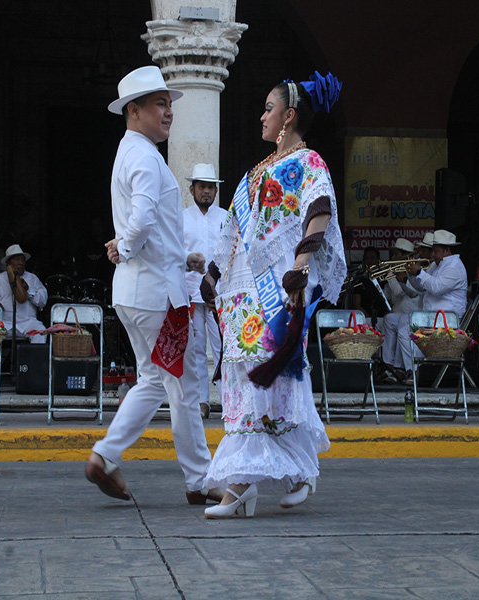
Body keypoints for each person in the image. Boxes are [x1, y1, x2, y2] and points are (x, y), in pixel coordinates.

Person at [199, 72, 346, 518]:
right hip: (242, 295)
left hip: (279, 294)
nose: (262, 116)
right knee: (255, 382)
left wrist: (301, 266)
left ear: (290, 116)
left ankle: (240, 487)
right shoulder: (254, 172)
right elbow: (231, 231)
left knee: (269, 380)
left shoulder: (309, 163)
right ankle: (298, 471)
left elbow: (318, 211)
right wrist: (213, 276)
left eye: (269, 107)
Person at [85, 65, 217, 506]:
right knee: (182, 386)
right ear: (134, 110)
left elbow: (145, 227)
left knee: (155, 380)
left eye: (168, 104)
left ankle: (106, 455)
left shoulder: (131, 151)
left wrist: (180, 256)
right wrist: (125, 245)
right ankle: (199, 479)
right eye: (159, 104)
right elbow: (141, 221)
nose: (168, 112)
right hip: (159, 295)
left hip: (138, 292)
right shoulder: (143, 155)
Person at [182, 163, 228, 420]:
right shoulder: (182, 218)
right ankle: (202, 401)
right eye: (202, 187)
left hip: (218, 294)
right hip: (190, 293)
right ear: (192, 189)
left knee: (222, 346)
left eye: (211, 187)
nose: (207, 191)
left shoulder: (224, 217)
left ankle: (227, 400)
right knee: (197, 349)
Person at [0, 244, 48, 382]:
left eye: (22, 259)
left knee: (41, 331)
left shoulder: (32, 278)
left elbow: (43, 300)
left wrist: (29, 291)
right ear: (9, 263)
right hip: (5, 323)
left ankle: (35, 369)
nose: (20, 262)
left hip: (27, 321)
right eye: (16, 259)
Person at [379, 238, 422, 385]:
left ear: (405, 256)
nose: (392, 258)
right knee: (387, 320)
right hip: (398, 314)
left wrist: (390, 274)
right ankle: (389, 366)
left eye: (396, 254)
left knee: (397, 324)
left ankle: (401, 369)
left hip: (413, 314)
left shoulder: (414, 272)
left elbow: (398, 291)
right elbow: (391, 296)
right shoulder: (397, 271)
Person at [406, 229, 468, 319]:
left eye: (436, 251)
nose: (433, 255)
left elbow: (436, 288)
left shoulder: (454, 267)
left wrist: (419, 272)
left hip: (447, 319)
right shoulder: (437, 264)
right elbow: (421, 288)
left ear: (447, 250)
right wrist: (412, 274)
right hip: (435, 316)